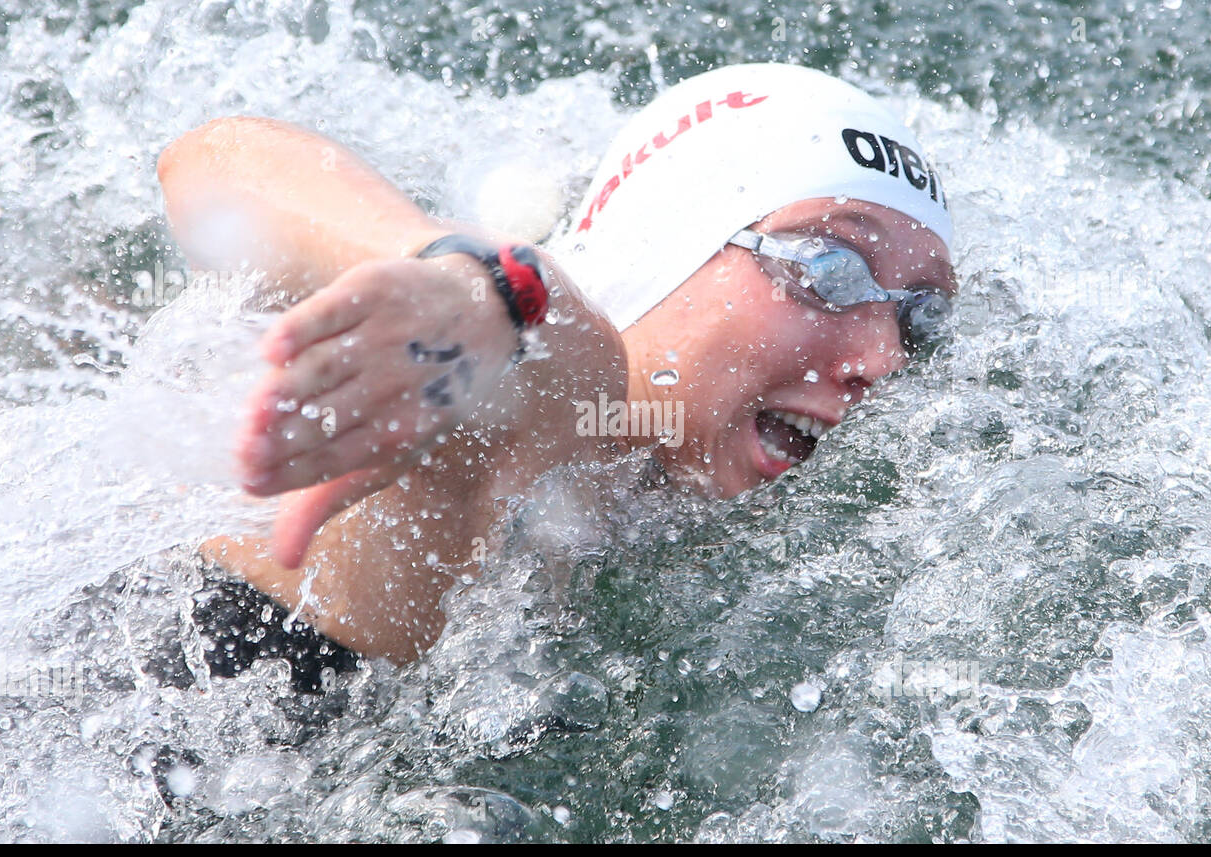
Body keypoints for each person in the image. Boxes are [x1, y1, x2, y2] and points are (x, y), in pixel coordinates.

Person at [157, 63, 956, 677]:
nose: (883, 358)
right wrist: (469, 280)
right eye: (830, 267)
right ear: (665, 241)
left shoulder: (650, 437)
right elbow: (213, 164)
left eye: (918, 313)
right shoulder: (573, 370)